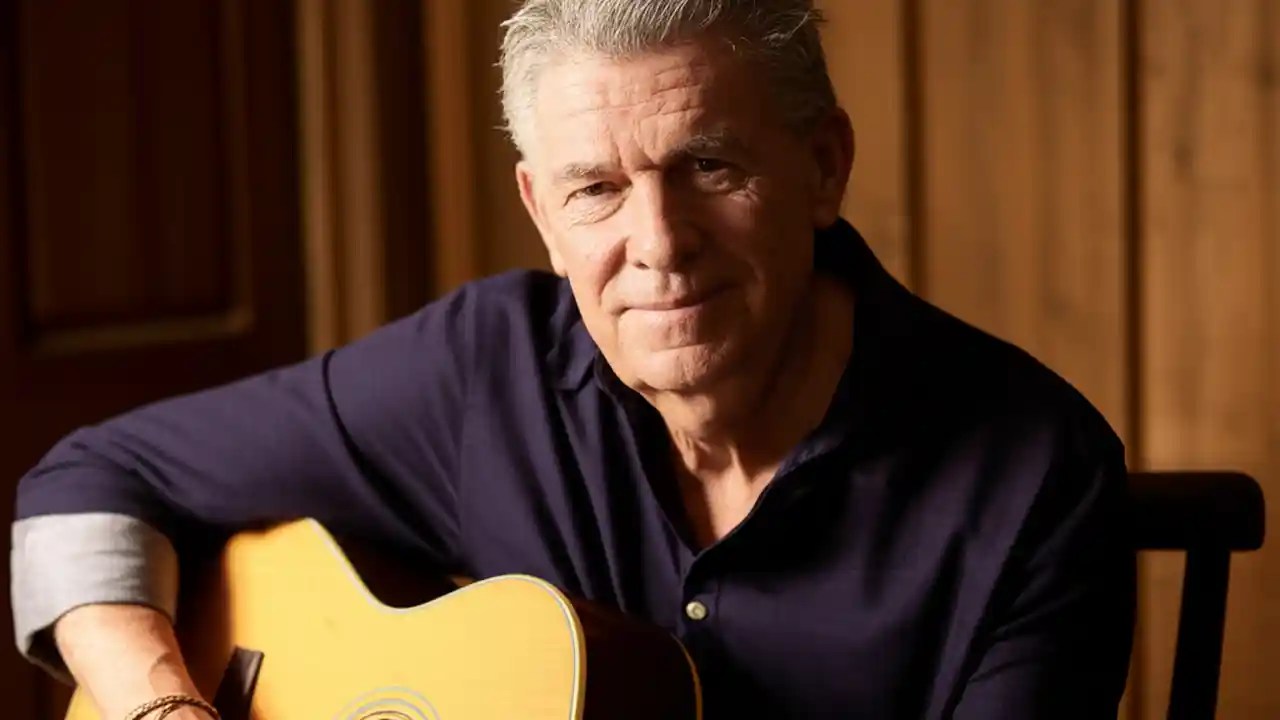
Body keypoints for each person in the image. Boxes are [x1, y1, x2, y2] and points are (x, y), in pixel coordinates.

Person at [10, 1, 1135, 718]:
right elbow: (88, 481)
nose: (656, 244)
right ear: (540, 211)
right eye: (596, 188)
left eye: (706, 166)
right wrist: (161, 708)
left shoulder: (1030, 475)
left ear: (823, 166)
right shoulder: (477, 373)